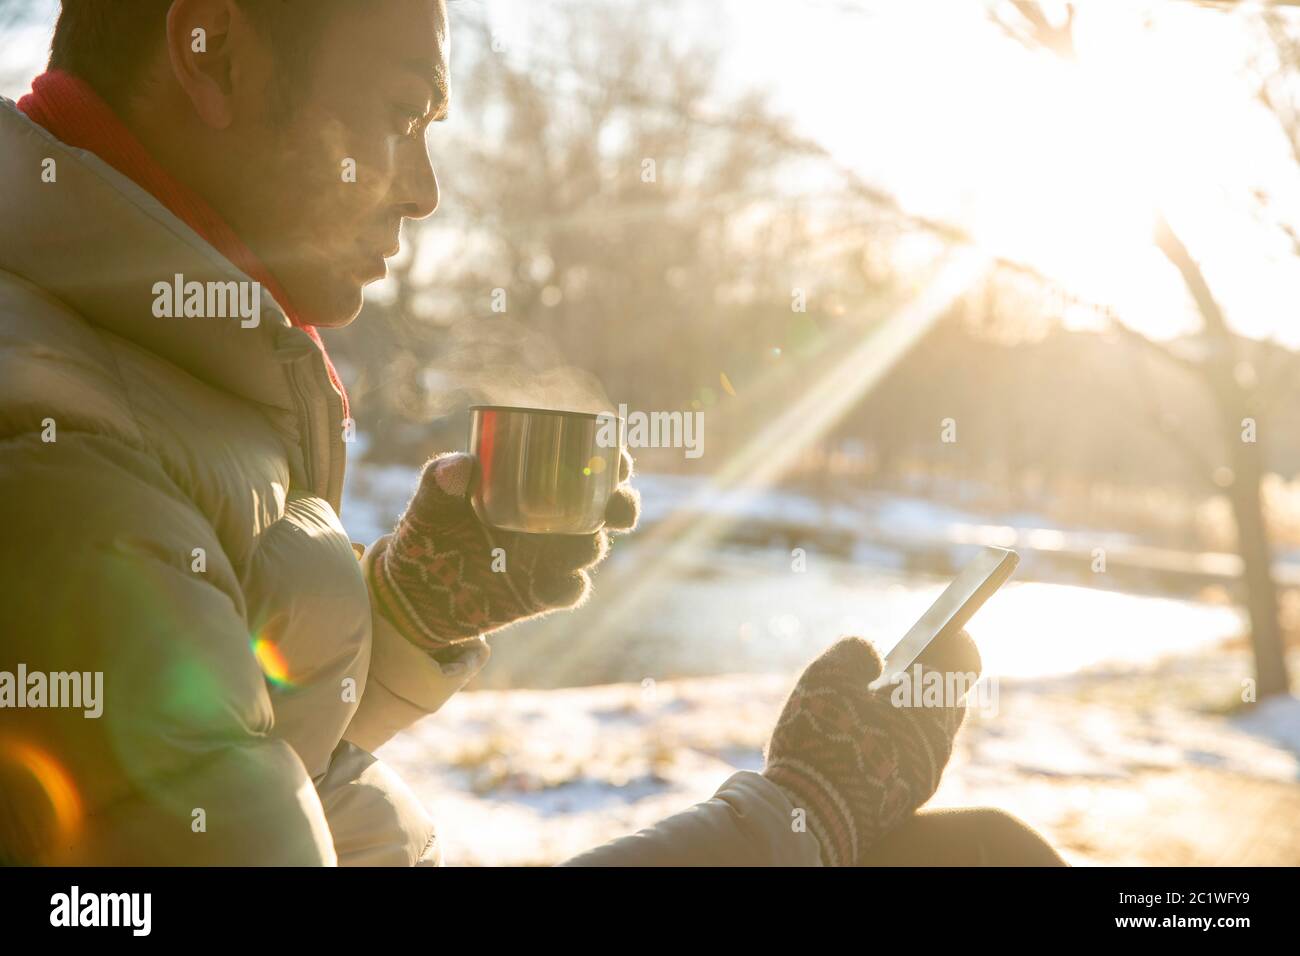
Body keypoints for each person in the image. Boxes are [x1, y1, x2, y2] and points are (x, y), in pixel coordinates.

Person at [0, 0, 1063, 867]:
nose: (421, 191)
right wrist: (801, 816)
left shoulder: (145, 367)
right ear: (210, 50)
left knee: (979, 852)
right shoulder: (67, 462)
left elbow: (233, 743)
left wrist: (411, 611)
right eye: (401, 114)